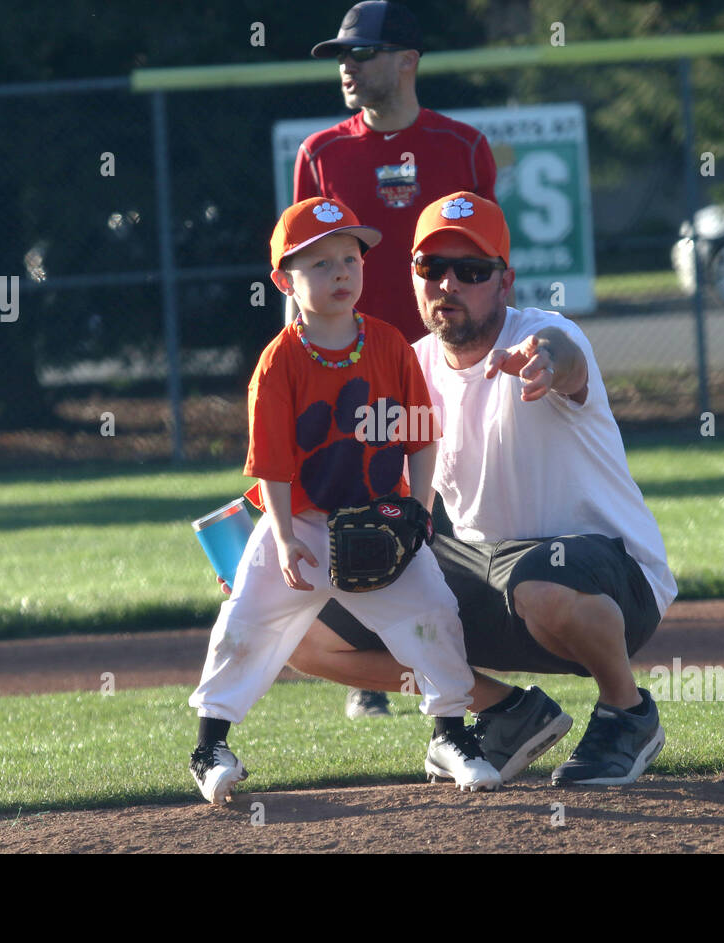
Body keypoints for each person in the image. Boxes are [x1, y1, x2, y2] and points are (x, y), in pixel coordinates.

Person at [284, 192, 679, 786]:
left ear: (504, 282)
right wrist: (273, 543)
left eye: (471, 271)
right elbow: (344, 474)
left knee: (539, 578)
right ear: (413, 277)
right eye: (432, 268)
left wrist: (546, 363)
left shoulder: (543, 333)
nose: (449, 284)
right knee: (302, 627)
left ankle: (628, 713)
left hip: (608, 577)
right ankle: (507, 711)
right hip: (487, 575)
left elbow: (564, 360)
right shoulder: (407, 370)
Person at [187, 196, 501, 805]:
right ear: (284, 280)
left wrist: (422, 510)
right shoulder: (279, 362)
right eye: (320, 263)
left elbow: (420, 434)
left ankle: (451, 736)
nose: (340, 273)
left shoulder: (387, 345)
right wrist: (280, 539)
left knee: (434, 612)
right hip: (299, 524)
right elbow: (272, 467)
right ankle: (210, 747)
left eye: (349, 259)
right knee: (247, 623)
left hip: (384, 523)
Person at [300, 0, 499, 717]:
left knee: (444, 504)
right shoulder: (322, 153)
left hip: (441, 358)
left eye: (364, 52)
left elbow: (485, 259)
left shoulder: (464, 147)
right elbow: (302, 268)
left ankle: (456, 658)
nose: (348, 66)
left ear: (407, 62)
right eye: (343, 56)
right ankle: (375, 669)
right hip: (355, 365)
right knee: (355, 510)